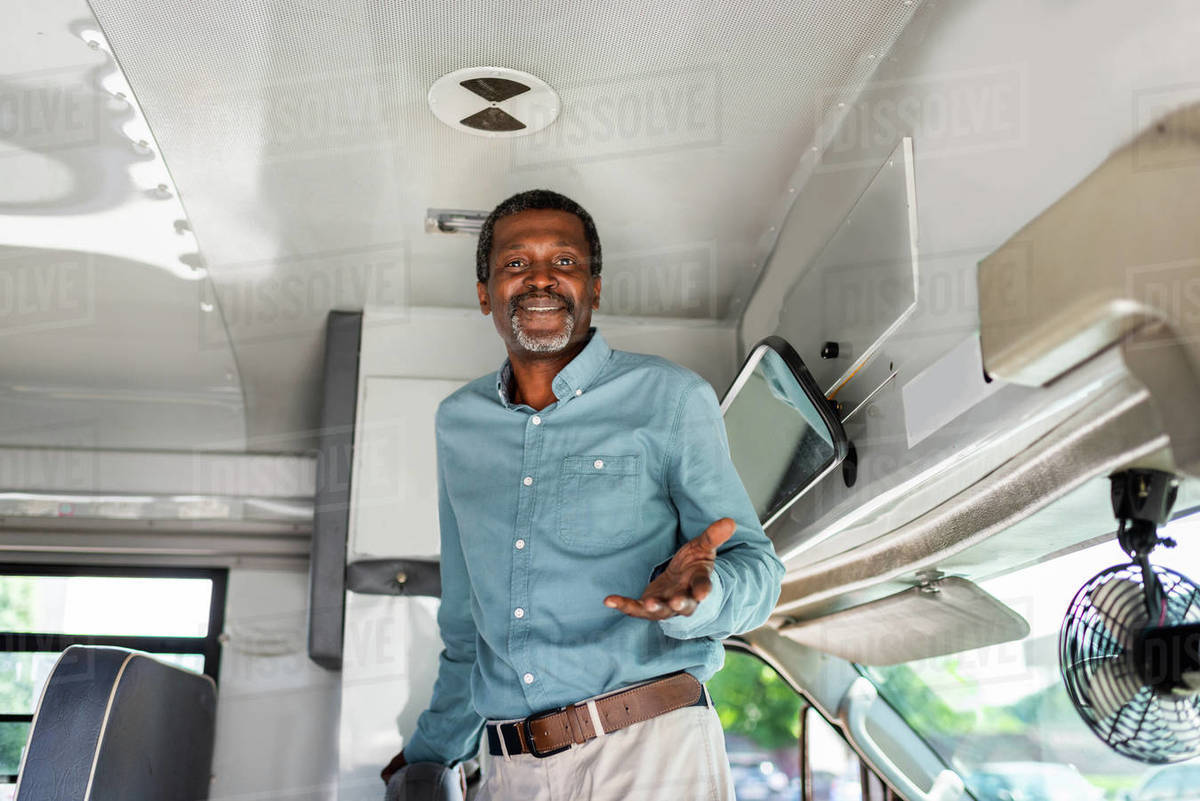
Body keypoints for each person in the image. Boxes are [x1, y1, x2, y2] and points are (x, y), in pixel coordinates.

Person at [380, 189, 785, 800]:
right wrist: (428, 757)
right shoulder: (457, 423)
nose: (541, 279)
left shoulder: (671, 398)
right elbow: (469, 629)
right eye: (516, 263)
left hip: (650, 754)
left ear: (594, 287)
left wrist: (701, 598)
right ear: (485, 292)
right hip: (507, 770)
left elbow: (760, 571)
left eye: (564, 262)